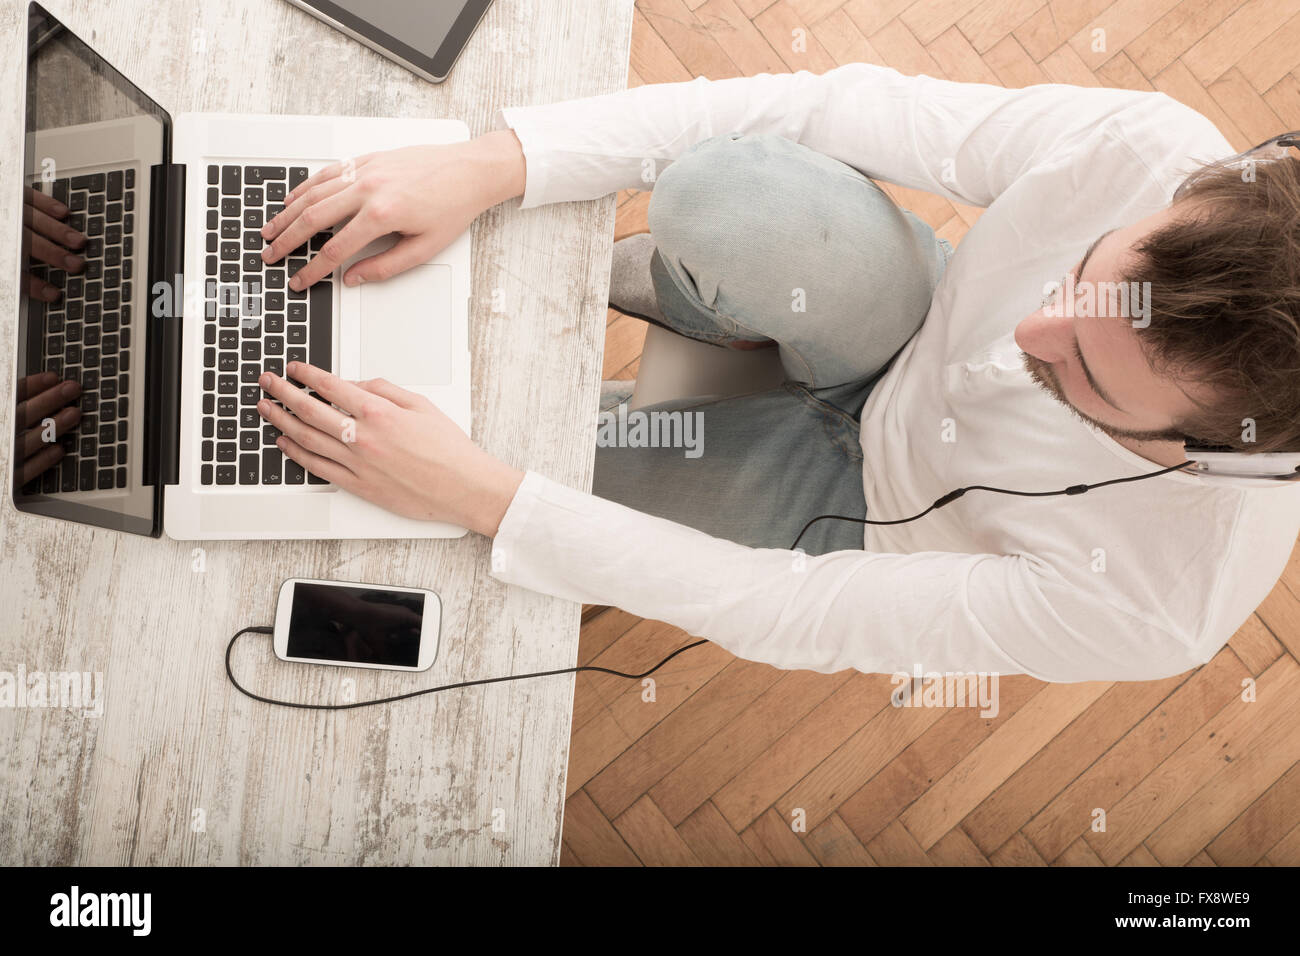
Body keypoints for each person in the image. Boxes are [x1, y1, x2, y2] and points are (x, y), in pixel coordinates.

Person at [251, 63, 1300, 682]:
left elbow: (789, 609)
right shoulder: (1148, 145)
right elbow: (813, 106)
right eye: (1078, 276)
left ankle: (679, 362)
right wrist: (491, 163)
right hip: (897, 319)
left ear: (1210, 456)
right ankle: (668, 298)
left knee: (507, 477)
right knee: (730, 189)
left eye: (1091, 385)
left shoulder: (1162, 606)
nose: (1025, 334)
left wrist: (482, 492)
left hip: (855, 514)